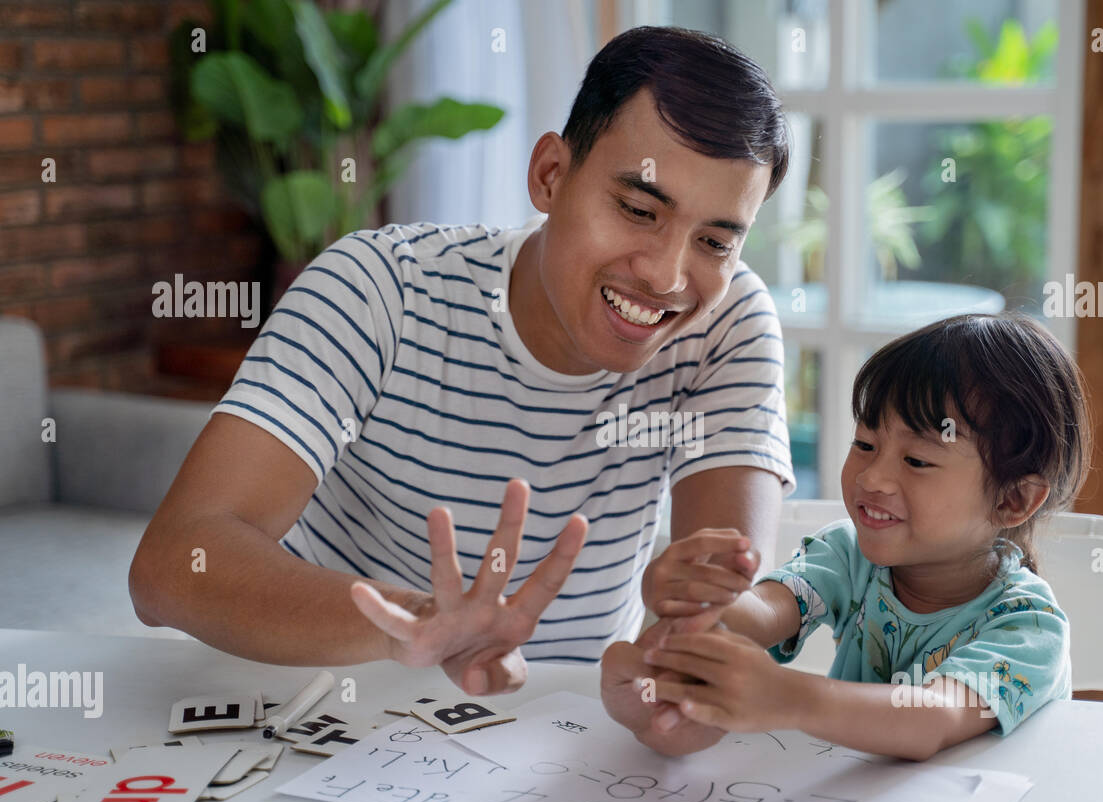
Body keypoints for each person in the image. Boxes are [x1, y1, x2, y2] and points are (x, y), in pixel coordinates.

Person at [129, 26, 795, 695]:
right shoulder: (380, 289)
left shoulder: (727, 324)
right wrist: (414, 626)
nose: (666, 276)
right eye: (638, 209)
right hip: (329, 713)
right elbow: (173, 564)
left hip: (566, 746)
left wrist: (686, 658)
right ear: (550, 176)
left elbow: (715, 620)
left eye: (713, 240)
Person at [602, 314, 1093, 759]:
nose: (872, 478)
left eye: (917, 460)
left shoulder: (1029, 627)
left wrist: (790, 697)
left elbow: (931, 718)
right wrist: (703, 596)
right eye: (865, 443)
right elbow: (763, 613)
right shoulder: (850, 554)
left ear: (1012, 501)